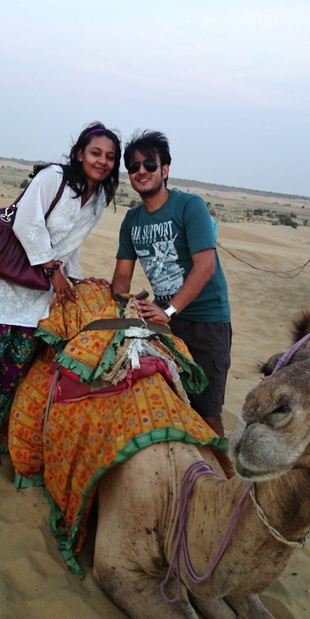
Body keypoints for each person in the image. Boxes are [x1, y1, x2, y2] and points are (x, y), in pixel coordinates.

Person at [0, 122, 122, 482]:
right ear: (80, 153)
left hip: (34, 301)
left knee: (8, 374)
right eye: (96, 153)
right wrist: (53, 270)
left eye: (110, 157)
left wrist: (75, 281)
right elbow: (26, 223)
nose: (102, 161)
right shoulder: (54, 178)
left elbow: (71, 243)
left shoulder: (98, 199)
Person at [111, 130, 231, 437]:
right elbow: (122, 275)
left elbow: (205, 268)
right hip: (164, 323)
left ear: (165, 169)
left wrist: (169, 310)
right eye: (134, 166)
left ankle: (230, 481)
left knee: (207, 413)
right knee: (166, 400)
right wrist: (120, 303)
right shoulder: (132, 220)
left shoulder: (190, 206)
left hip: (205, 323)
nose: (141, 171)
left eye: (149, 164)